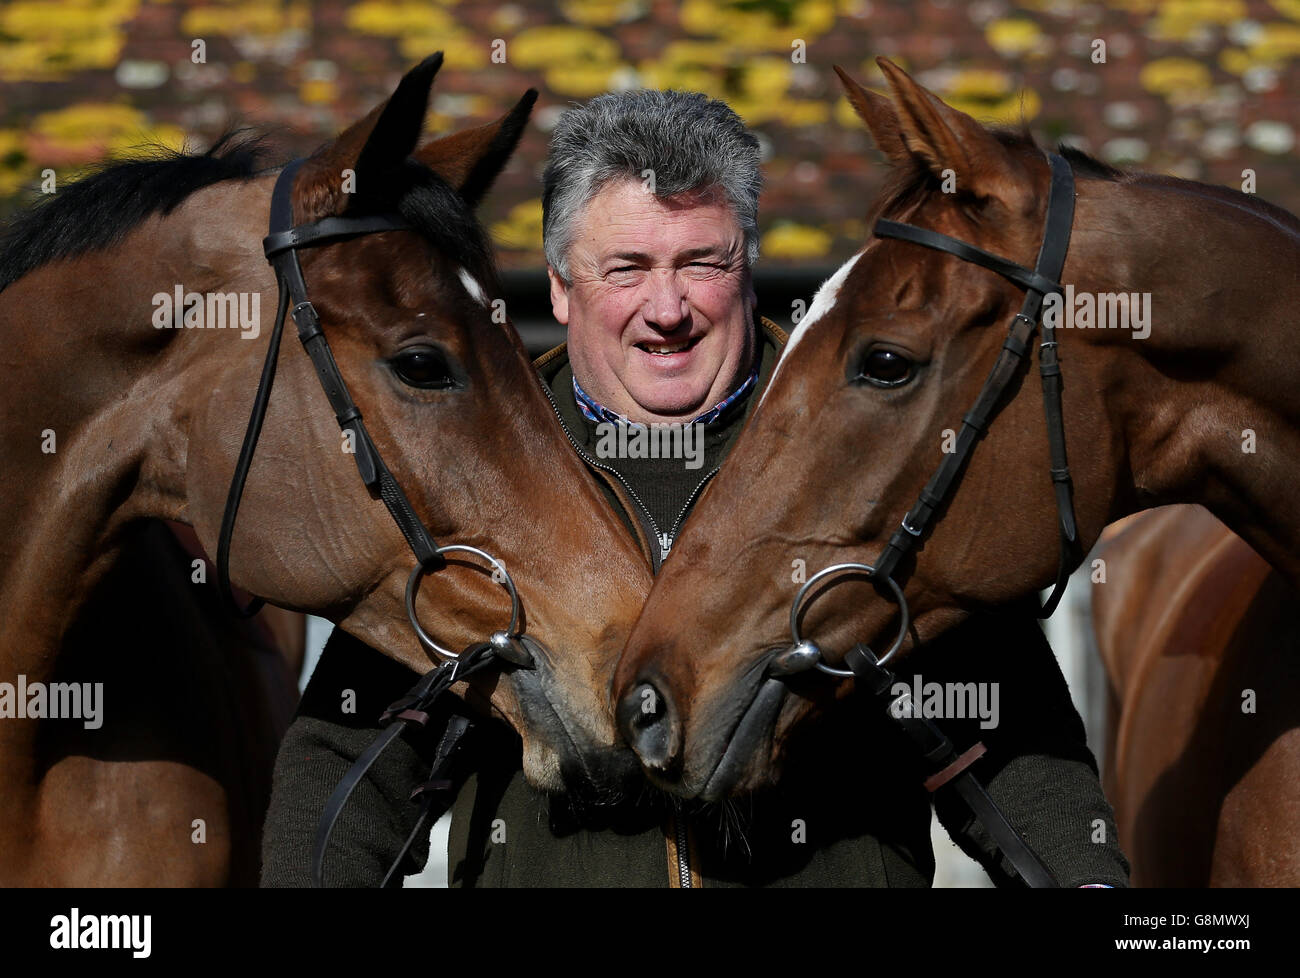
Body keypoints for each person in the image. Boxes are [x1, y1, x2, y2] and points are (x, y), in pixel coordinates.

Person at [260, 89, 1130, 888]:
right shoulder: (471, 469)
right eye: (626, 267)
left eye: (702, 263)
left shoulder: (877, 450)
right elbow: (351, 754)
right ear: (561, 289)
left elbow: (1005, 734)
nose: (667, 307)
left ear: (747, 266)